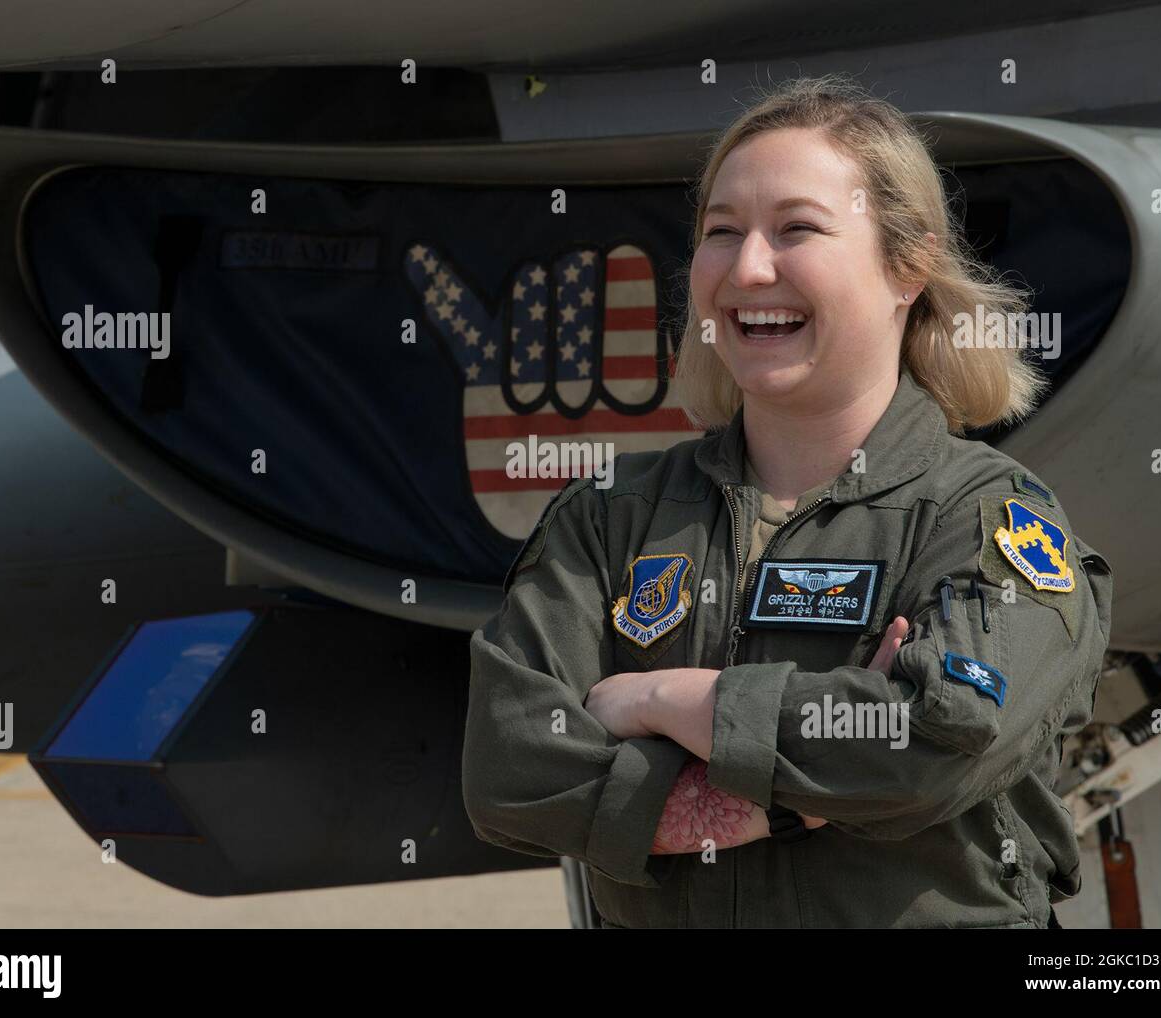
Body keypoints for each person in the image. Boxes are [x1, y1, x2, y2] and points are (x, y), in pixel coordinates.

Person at [461, 74, 1113, 929]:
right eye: (721, 232)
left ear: (907, 266)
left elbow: (936, 739)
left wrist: (671, 703)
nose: (749, 267)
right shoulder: (610, 518)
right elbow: (510, 769)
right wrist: (788, 796)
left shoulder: (987, 522)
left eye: (797, 229)